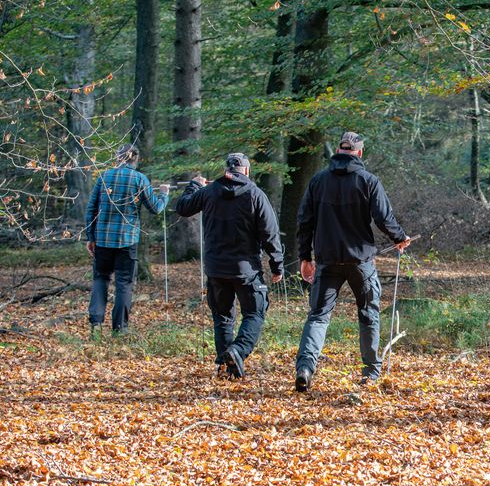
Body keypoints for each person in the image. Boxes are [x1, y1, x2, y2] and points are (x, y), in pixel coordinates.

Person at [294, 132, 412, 392]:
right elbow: (383, 217)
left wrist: (304, 257)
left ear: (339, 150)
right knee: (368, 314)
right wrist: (399, 237)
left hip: (327, 261)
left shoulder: (318, 181)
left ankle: (305, 368)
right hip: (361, 261)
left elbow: (304, 222)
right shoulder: (368, 181)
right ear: (359, 152)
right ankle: (370, 374)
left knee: (318, 316)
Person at [175, 153, 284, 379]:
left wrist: (194, 185)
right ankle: (237, 351)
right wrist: (277, 266)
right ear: (246, 171)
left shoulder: (208, 192)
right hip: (246, 270)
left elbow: (183, 207)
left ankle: (226, 367)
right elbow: (270, 233)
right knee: (255, 313)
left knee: (223, 318)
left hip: (216, 269)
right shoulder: (255, 194)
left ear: (227, 169)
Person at [85, 143, 169, 335]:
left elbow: (91, 208)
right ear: (136, 159)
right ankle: (120, 328)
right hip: (127, 240)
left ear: (118, 157)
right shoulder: (139, 179)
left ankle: (96, 324)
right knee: (124, 283)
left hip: (103, 239)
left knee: (100, 279)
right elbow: (156, 208)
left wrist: (90, 237)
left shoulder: (104, 177)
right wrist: (164, 194)